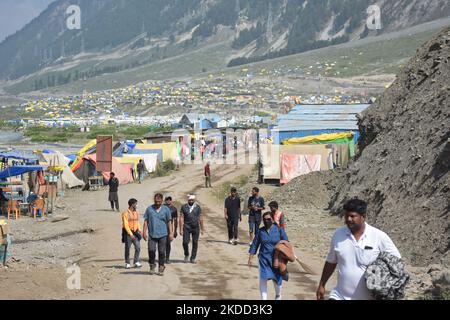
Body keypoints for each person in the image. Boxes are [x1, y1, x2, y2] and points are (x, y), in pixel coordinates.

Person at [316, 198, 401, 300]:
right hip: (340, 295)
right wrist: (322, 284)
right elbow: (331, 261)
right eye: (346, 216)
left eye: (352, 216)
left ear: (363, 216)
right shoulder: (338, 235)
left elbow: (396, 261)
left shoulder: (378, 237)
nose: (348, 219)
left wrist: (381, 278)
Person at [248, 211, 288, 300]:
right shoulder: (260, 231)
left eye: (268, 219)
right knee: (263, 279)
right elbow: (255, 244)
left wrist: (284, 256)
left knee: (276, 280)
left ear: (273, 220)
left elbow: (286, 242)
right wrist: (251, 257)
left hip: (276, 259)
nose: (266, 221)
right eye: (265, 219)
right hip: (263, 259)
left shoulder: (279, 230)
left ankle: (278, 296)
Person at [143, 193, 174, 275]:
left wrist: (171, 233)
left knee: (161, 251)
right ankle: (152, 265)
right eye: (156, 201)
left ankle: (161, 266)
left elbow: (169, 222)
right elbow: (146, 221)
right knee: (151, 250)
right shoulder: (149, 209)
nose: (157, 203)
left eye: (159, 202)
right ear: (154, 200)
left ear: (162, 200)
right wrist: (144, 232)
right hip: (152, 234)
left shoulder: (166, 209)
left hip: (163, 234)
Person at [180, 195, 204, 263]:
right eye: (189, 200)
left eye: (192, 200)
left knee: (195, 242)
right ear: (187, 200)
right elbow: (181, 218)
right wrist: (181, 229)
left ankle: (193, 258)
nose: (191, 201)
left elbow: (201, 218)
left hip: (195, 227)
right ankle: (186, 254)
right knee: (185, 242)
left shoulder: (197, 207)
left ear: (194, 200)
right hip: (186, 227)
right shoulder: (184, 207)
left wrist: (202, 229)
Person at [121, 198, 142, 269]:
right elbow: (125, 225)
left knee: (138, 247)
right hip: (128, 233)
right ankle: (127, 263)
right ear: (132, 204)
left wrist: (140, 230)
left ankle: (136, 261)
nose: (136, 205)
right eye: (136, 204)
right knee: (127, 248)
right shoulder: (125, 213)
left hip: (136, 233)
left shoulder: (136, 212)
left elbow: (137, 222)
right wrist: (130, 234)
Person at [164, 196, 178, 264]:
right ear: (165, 201)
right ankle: (162, 257)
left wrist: (175, 231)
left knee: (168, 244)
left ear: (171, 201)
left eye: (169, 200)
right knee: (161, 244)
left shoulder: (174, 209)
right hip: (161, 228)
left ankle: (167, 258)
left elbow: (175, 221)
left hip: (169, 228)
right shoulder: (161, 208)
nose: (168, 201)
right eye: (167, 200)